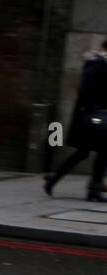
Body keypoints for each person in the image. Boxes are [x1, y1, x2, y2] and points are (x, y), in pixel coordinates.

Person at [45, 37, 107, 203]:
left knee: (86, 153)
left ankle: (54, 180)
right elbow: (87, 90)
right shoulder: (98, 64)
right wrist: (96, 108)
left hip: (95, 118)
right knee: (98, 153)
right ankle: (93, 190)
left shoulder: (99, 64)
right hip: (95, 119)